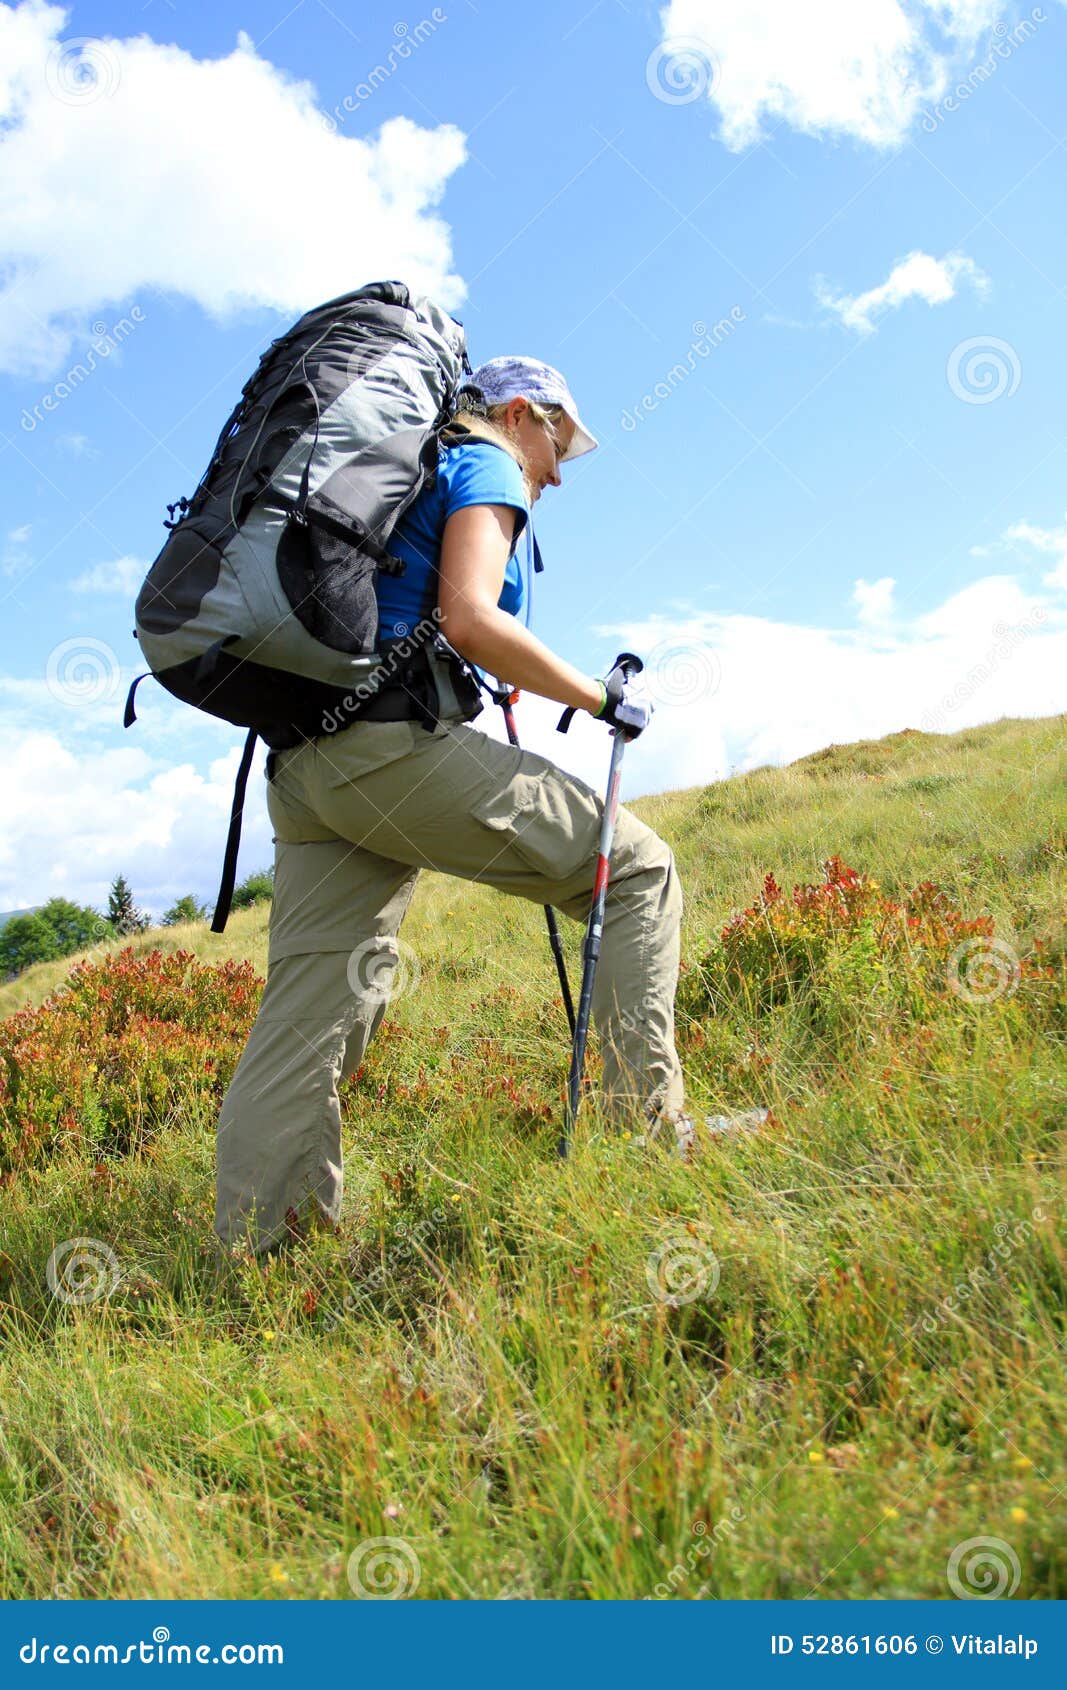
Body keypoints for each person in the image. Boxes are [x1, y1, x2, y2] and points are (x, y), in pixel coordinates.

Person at [214, 356, 693, 1255]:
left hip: (306, 761)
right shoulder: (480, 460)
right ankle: (646, 1146)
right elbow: (470, 616)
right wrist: (601, 698)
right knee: (633, 872)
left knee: (308, 1011)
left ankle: (261, 1256)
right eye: (557, 443)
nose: (556, 470)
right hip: (390, 750)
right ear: (518, 413)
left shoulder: (400, 469)